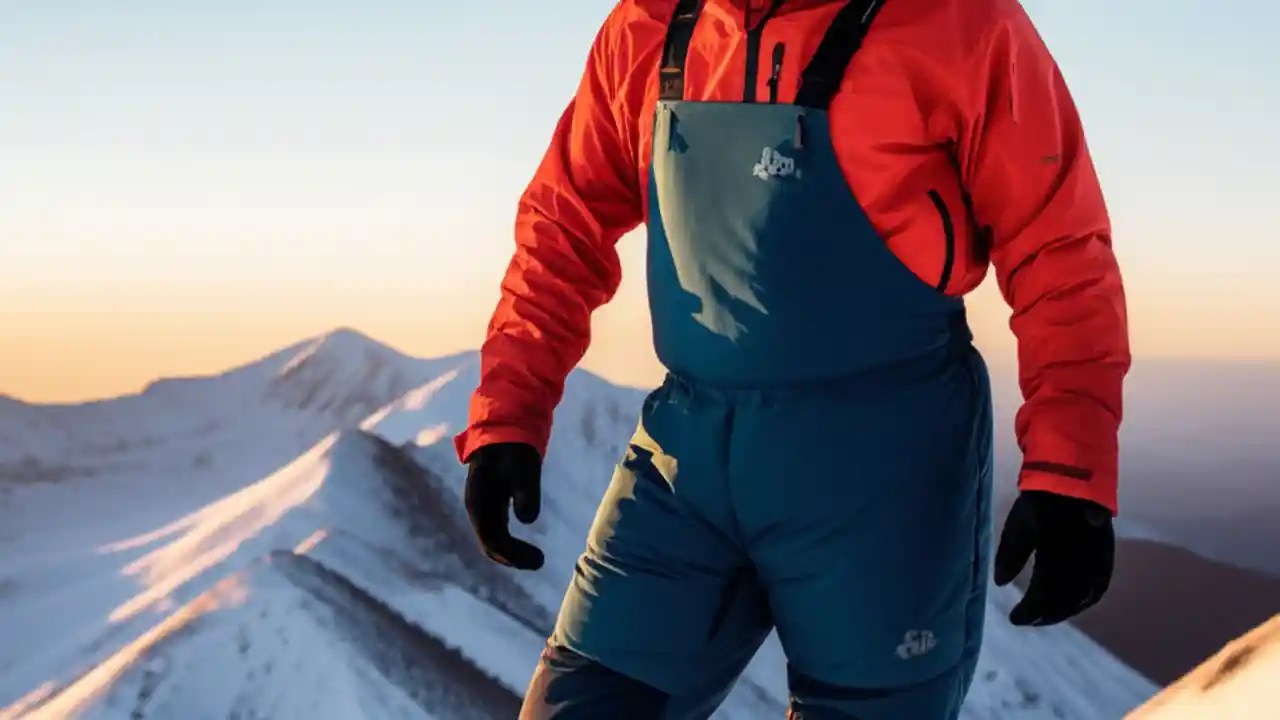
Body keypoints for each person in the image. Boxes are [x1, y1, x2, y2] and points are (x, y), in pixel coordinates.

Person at [455, 0, 1130, 717]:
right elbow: (563, 228)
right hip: (686, 462)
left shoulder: (960, 22)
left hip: (883, 479)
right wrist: (508, 415)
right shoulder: (649, 28)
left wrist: (1069, 475)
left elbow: (1060, 252)